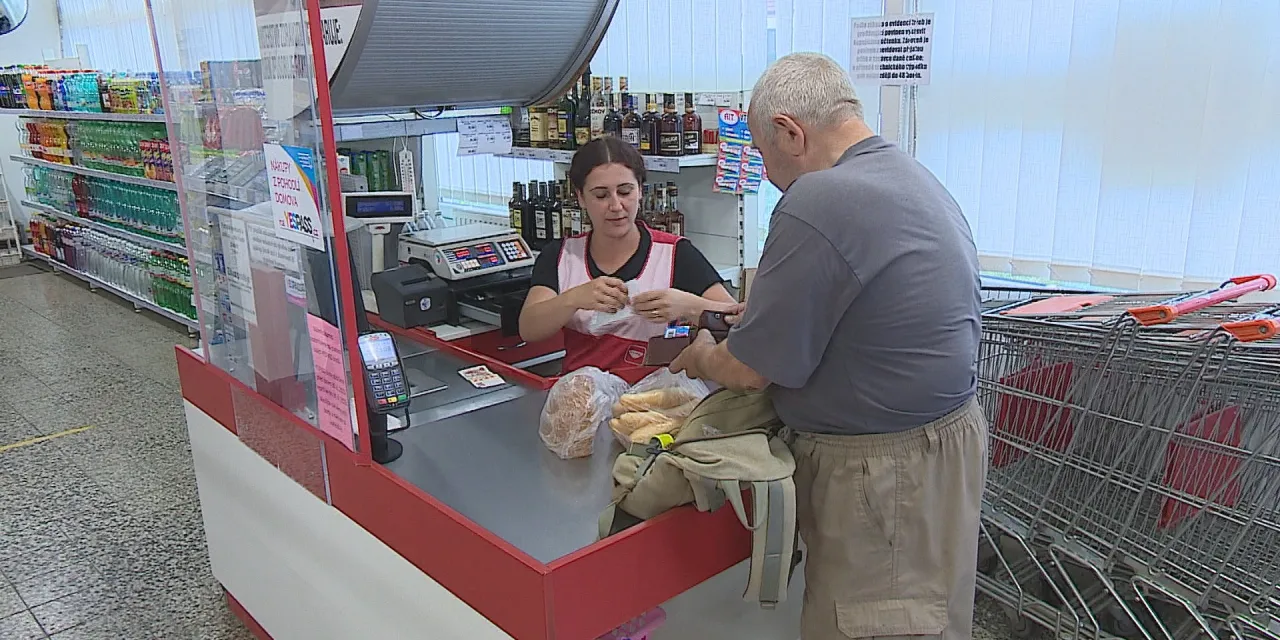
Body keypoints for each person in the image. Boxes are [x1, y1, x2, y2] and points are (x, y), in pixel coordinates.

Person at [671, 52, 987, 640]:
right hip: (943, 448)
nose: (768, 177)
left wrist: (700, 357)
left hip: (882, 474)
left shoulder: (820, 197)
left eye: (765, 158)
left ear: (791, 131)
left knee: (872, 622)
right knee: (927, 615)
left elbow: (748, 370)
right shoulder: (908, 175)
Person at [519, 136, 738, 372]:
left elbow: (735, 321)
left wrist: (689, 307)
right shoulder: (561, 256)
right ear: (581, 198)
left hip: (654, 400)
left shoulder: (675, 254)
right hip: (581, 399)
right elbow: (530, 329)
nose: (616, 206)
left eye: (625, 192)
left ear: (641, 191)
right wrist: (572, 299)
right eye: (601, 196)